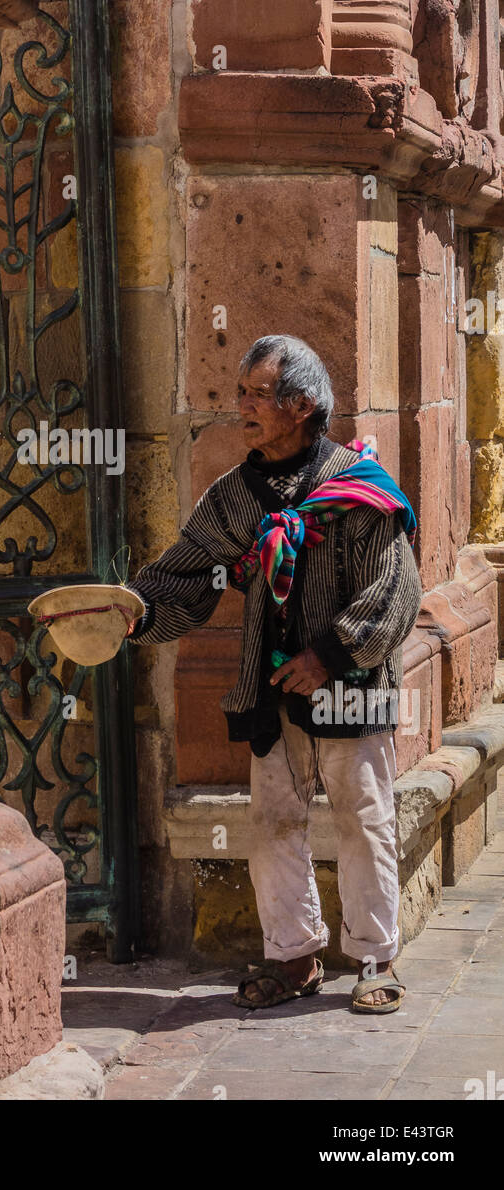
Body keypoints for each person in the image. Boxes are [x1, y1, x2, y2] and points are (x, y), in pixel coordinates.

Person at [126, 335, 422, 1011]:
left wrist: (330, 655)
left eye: (258, 395)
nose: (243, 408)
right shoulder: (235, 497)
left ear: (303, 405)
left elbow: (395, 589)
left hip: (351, 689)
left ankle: (376, 959)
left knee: (364, 817)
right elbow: (189, 571)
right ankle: (293, 958)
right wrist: (136, 611)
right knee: (274, 822)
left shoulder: (361, 489)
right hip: (271, 689)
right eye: (242, 394)